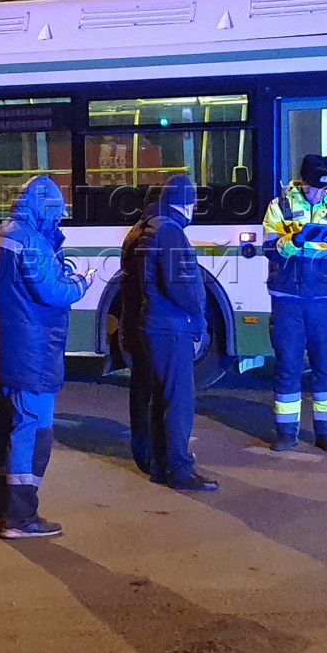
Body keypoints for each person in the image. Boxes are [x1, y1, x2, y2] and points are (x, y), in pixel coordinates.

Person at [0, 176, 91, 539]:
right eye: (56, 213)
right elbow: (54, 291)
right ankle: (20, 518)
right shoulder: (30, 241)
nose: (58, 220)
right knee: (33, 429)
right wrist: (83, 281)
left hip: (4, 349)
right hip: (33, 354)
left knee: (1, 427)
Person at [119, 173, 218, 492]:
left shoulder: (143, 230)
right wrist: (198, 317)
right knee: (178, 400)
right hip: (172, 327)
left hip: (151, 323)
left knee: (158, 395)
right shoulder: (170, 232)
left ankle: (160, 464)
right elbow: (181, 285)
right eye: (192, 203)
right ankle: (179, 469)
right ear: (184, 203)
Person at [262, 154, 327, 453]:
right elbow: (270, 249)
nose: (319, 194)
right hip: (288, 300)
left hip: (324, 301)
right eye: (315, 187)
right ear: (303, 181)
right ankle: (286, 432)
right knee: (288, 365)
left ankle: (326, 432)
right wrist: (294, 241)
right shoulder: (279, 206)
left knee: (325, 365)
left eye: (325, 189)